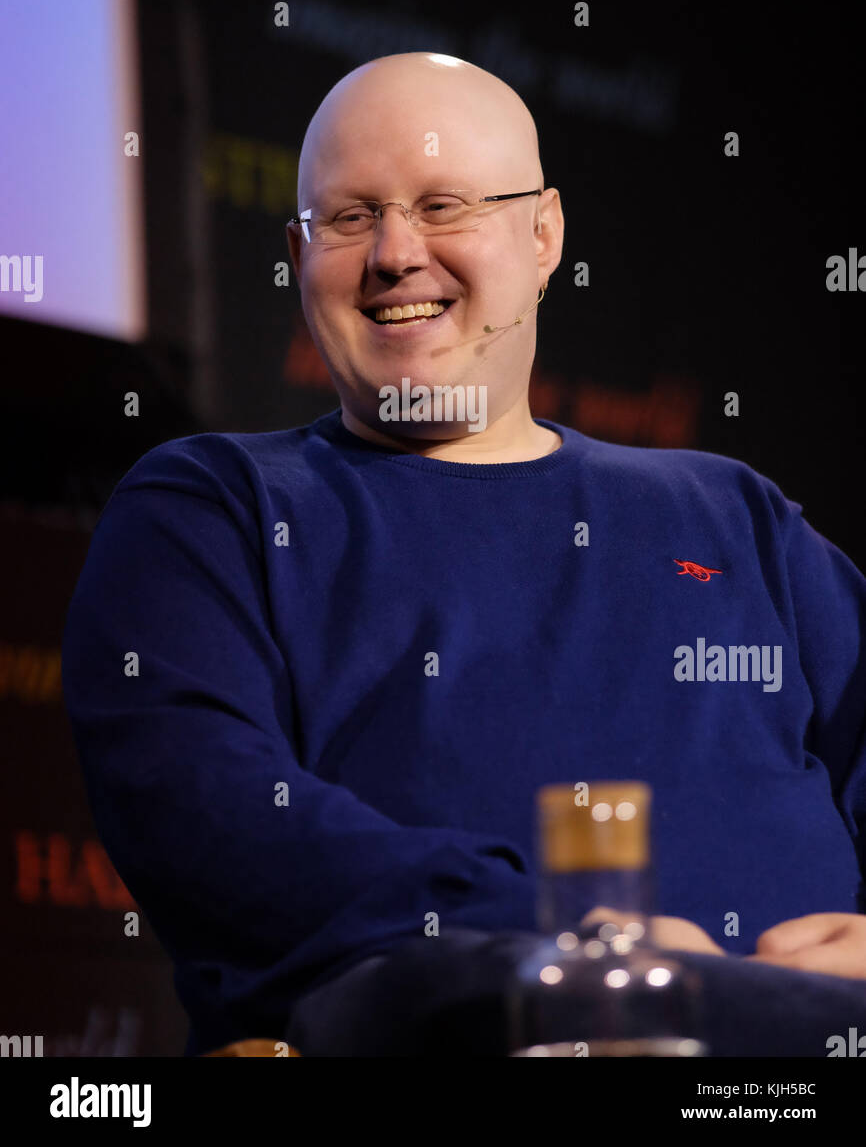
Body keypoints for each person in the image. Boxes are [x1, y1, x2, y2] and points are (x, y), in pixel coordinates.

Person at [62, 52, 866, 1057]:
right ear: (296, 253)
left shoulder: (733, 515)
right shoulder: (211, 510)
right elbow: (211, 818)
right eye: (348, 218)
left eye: (443, 205)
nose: (395, 252)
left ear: (543, 236)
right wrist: (579, 942)